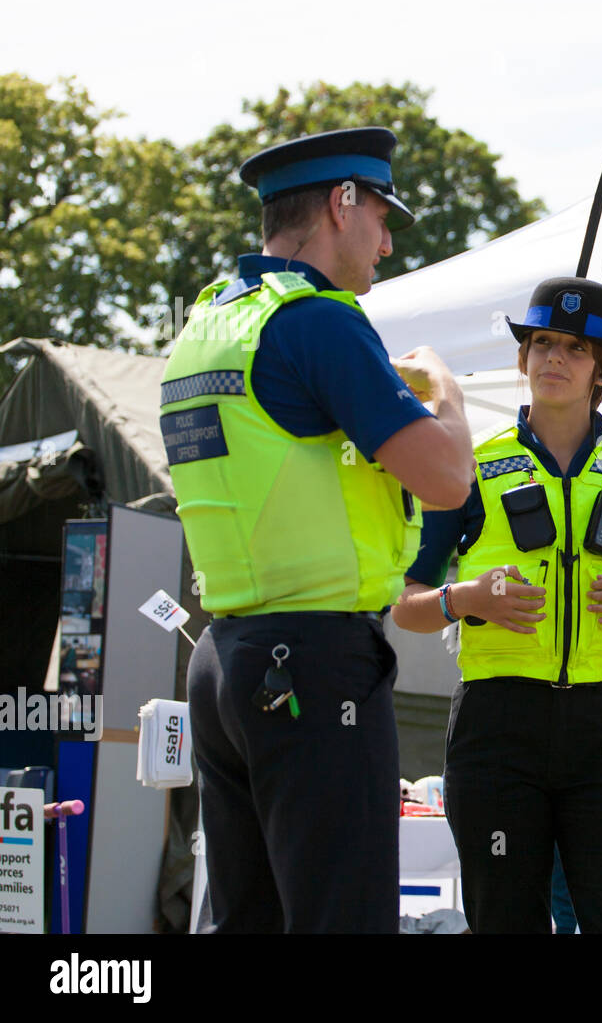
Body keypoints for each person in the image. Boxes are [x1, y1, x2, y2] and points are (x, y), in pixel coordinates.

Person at [160, 127, 475, 933]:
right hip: (312, 664)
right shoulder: (319, 322)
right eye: (380, 213)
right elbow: (446, 481)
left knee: (248, 919)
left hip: (222, 658)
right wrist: (447, 396)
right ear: (342, 203)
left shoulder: (204, 327)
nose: (387, 240)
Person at [392, 276, 602, 934]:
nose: (554, 358)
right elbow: (405, 606)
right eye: (542, 343)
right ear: (522, 358)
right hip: (498, 726)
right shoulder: (467, 466)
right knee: (504, 921)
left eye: (575, 349)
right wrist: (465, 599)